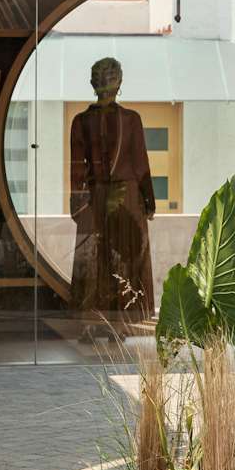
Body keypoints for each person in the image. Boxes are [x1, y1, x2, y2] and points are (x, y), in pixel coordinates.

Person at [69, 57, 155, 321]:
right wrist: (149, 202)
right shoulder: (131, 120)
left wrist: (78, 206)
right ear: (119, 83)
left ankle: (90, 324)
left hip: (94, 199)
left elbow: (76, 170)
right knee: (124, 260)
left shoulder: (80, 121)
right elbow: (140, 164)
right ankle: (120, 326)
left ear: (93, 84)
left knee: (94, 262)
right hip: (127, 199)